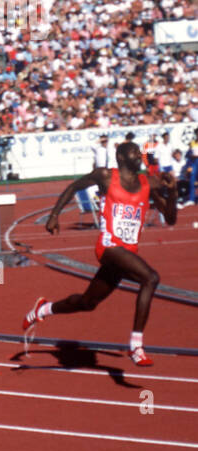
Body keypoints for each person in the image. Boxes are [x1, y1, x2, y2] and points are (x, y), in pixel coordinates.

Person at [23, 140, 177, 366]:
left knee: (88, 302)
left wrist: (172, 192)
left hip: (127, 253)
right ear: (122, 158)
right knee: (151, 278)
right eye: (134, 152)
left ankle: (43, 309)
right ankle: (136, 345)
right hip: (108, 247)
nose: (139, 155)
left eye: (139, 152)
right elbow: (74, 187)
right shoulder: (105, 176)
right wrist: (54, 215)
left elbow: (171, 218)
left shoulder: (148, 183)